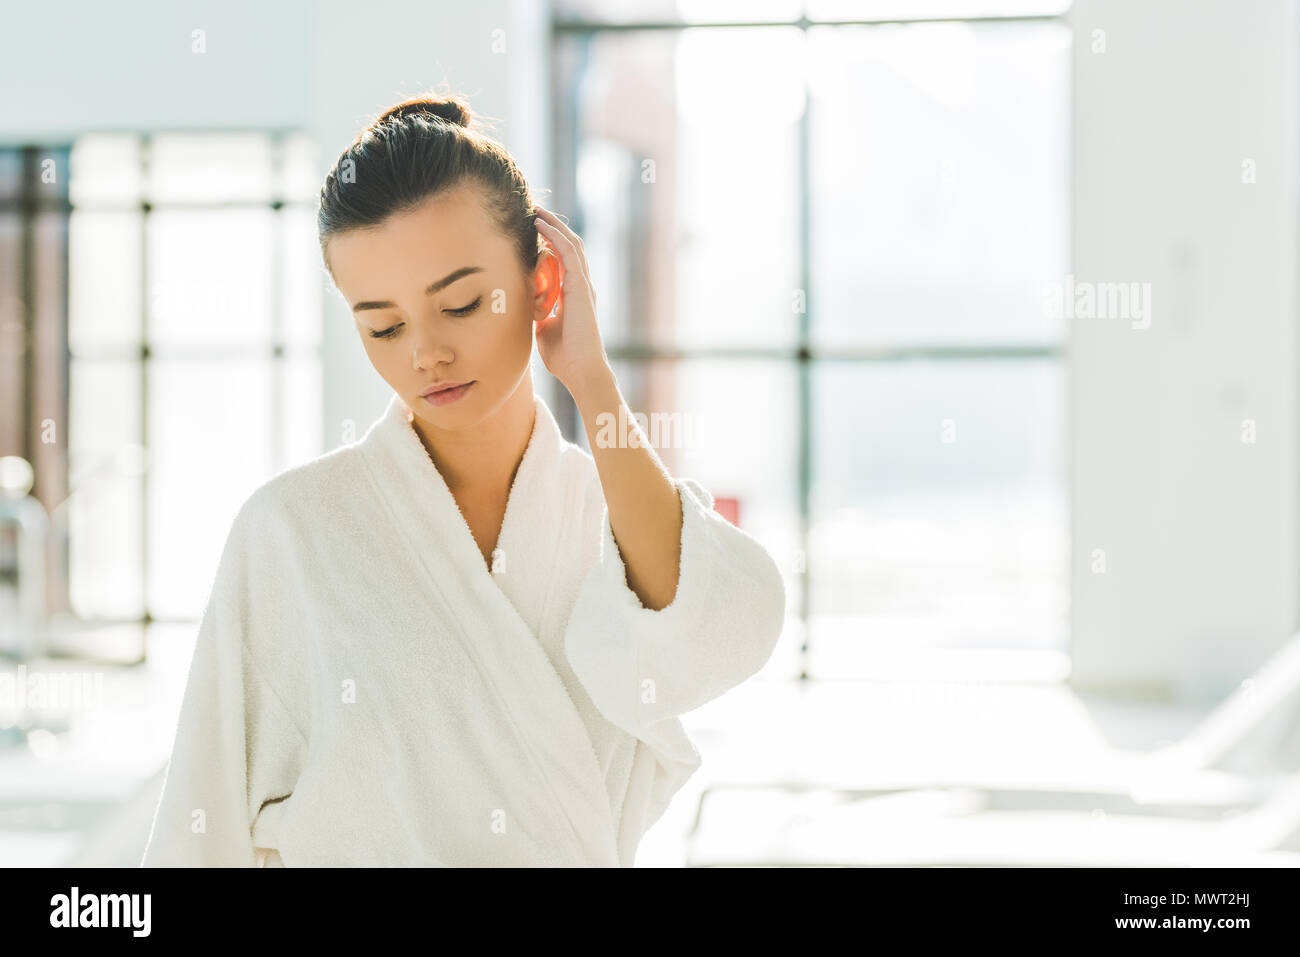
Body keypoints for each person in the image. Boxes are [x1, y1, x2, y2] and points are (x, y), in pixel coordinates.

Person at [140, 90, 786, 866]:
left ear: (543, 285)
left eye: (462, 303)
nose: (424, 354)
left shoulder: (606, 518)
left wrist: (591, 379)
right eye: (383, 325)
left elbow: (721, 624)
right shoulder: (289, 531)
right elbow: (196, 824)